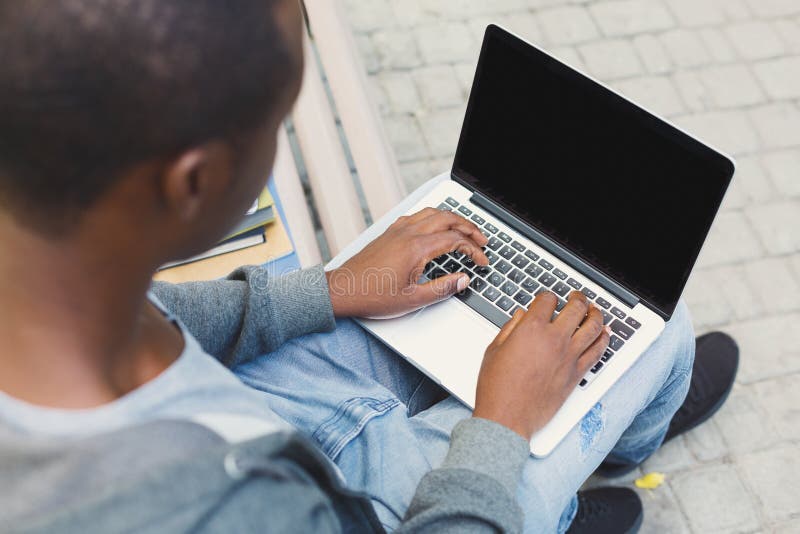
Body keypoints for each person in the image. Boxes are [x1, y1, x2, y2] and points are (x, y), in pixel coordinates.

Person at [0, 1, 739, 532]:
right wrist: (501, 431)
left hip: (263, 402)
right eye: (276, 122)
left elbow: (163, 315)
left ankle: (579, 463)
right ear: (194, 181)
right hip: (374, 510)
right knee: (658, 334)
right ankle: (565, 489)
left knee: (518, 321)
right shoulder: (218, 514)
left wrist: (336, 288)